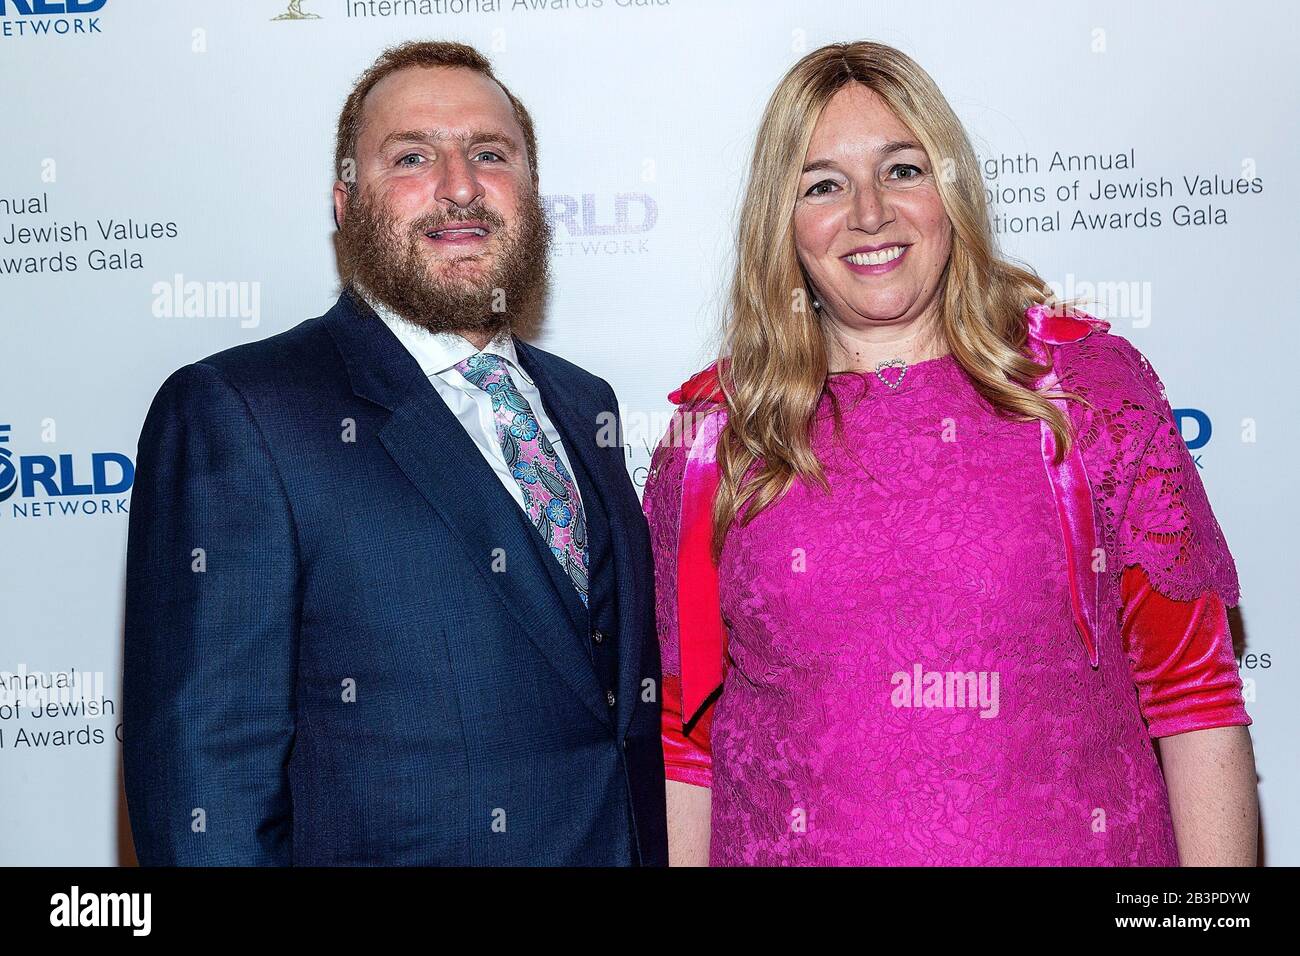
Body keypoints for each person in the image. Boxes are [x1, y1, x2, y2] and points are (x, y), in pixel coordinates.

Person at [645, 41, 1257, 866]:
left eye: (902, 170)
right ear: (780, 225)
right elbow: (684, 742)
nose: (869, 213)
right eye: (823, 185)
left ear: (951, 191)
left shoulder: (1084, 389)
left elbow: (1193, 696)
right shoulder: (714, 438)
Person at [123, 40, 667, 866]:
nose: (460, 185)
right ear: (345, 201)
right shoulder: (241, 413)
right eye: (413, 156)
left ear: (530, 191)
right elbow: (206, 785)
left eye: (490, 154)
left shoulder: (583, 403)